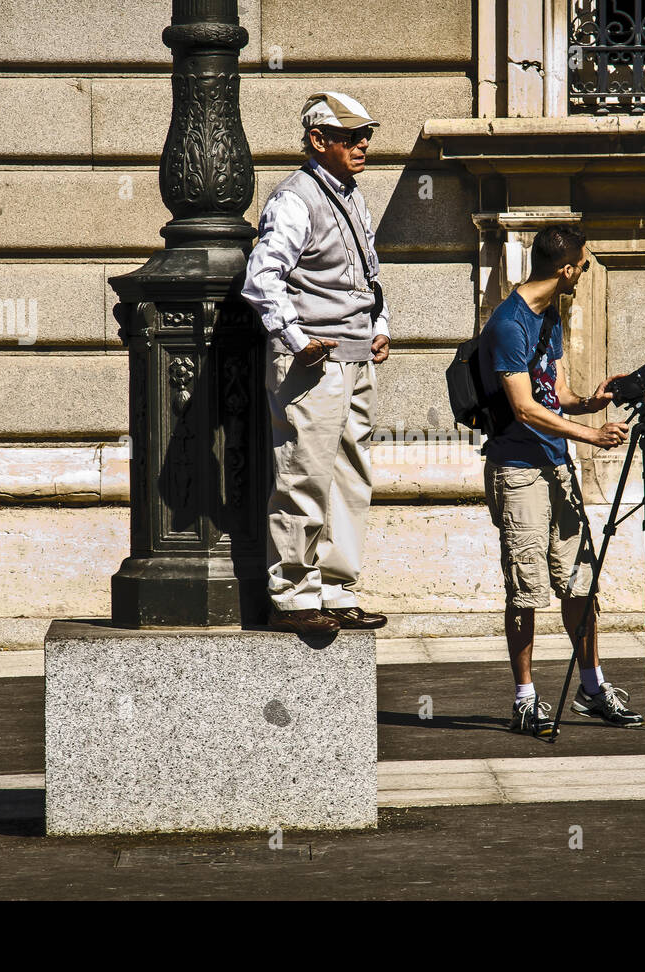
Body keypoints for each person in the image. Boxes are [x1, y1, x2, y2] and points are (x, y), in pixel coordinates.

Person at [477, 224, 644, 734]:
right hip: (519, 472)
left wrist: (594, 402)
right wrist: (589, 436)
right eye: (584, 266)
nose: (585, 273)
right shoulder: (508, 323)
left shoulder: (550, 316)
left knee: (580, 583)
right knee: (526, 590)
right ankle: (525, 699)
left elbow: (556, 394)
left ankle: (592, 690)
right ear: (566, 269)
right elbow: (524, 409)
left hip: (556, 467)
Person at [241, 91, 391, 635]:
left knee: (350, 477)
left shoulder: (352, 196)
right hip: (314, 362)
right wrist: (295, 337)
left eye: (365, 135)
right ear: (318, 140)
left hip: (353, 358)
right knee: (303, 475)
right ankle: (295, 596)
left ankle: (335, 588)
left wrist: (380, 327)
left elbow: (368, 276)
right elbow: (262, 279)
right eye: (351, 137)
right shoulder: (295, 198)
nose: (363, 144)